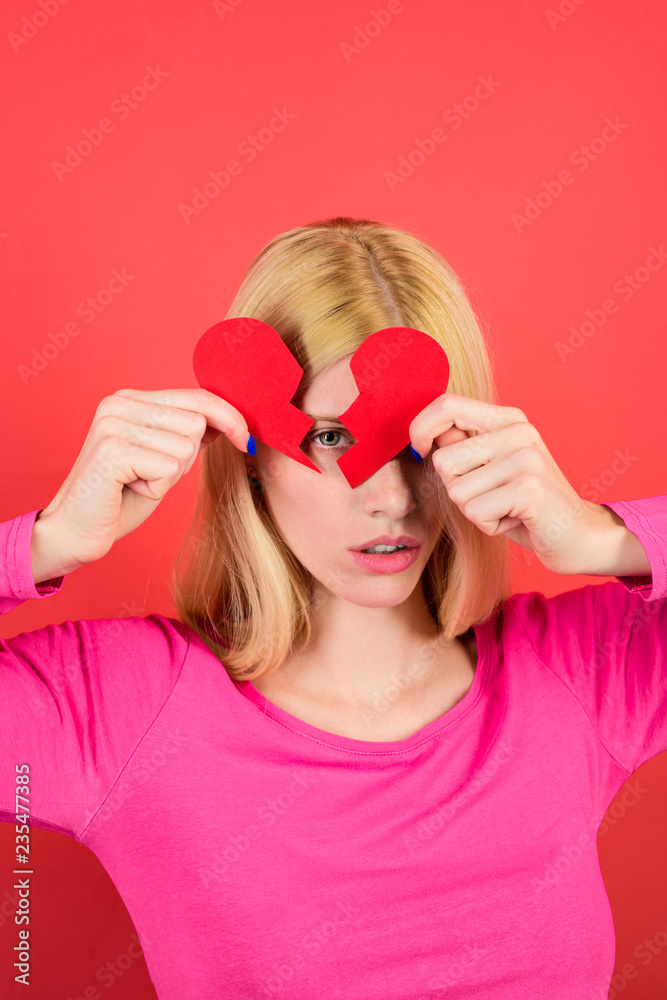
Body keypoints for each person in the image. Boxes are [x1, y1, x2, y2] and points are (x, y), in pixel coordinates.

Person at [1, 215, 665, 1000]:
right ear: (247, 452)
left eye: (418, 439)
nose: (386, 497)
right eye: (327, 438)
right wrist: (46, 543)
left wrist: (603, 538)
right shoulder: (115, 706)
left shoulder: (584, 671)